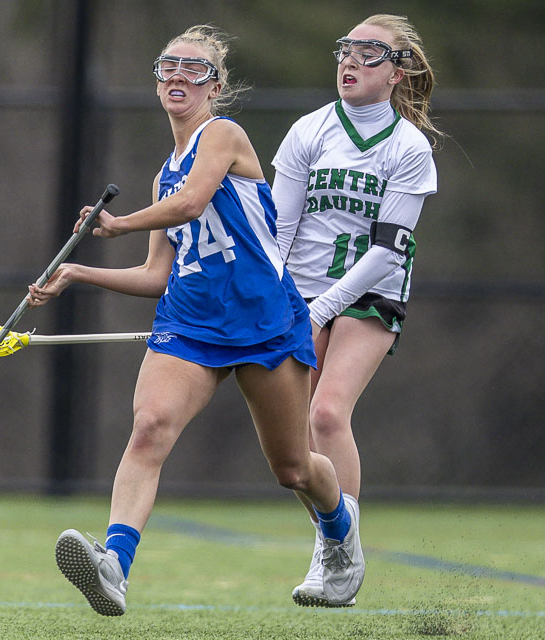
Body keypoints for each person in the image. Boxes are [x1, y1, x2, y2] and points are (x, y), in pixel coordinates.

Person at [26, 25, 364, 616]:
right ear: (157, 80)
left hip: (264, 321)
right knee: (149, 428)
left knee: (292, 469)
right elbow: (158, 274)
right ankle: (114, 566)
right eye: (168, 66)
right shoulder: (162, 175)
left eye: (194, 69)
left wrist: (115, 222)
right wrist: (80, 272)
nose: (178, 76)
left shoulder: (223, 136)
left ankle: (339, 530)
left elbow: (191, 203)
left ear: (214, 86)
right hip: (189, 320)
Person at [270, 14, 440, 608]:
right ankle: (335, 531)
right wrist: (276, 293)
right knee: (290, 451)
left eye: (372, 54)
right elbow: (281, 227)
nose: (352, 61)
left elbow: (389, 248)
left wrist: (325, 307)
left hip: (370, 290)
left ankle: (337, 555)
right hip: (302, 291)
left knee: (327, 415)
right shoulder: (309, 130)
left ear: (398, 72)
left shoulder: (409, 148)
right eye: (347, 49)